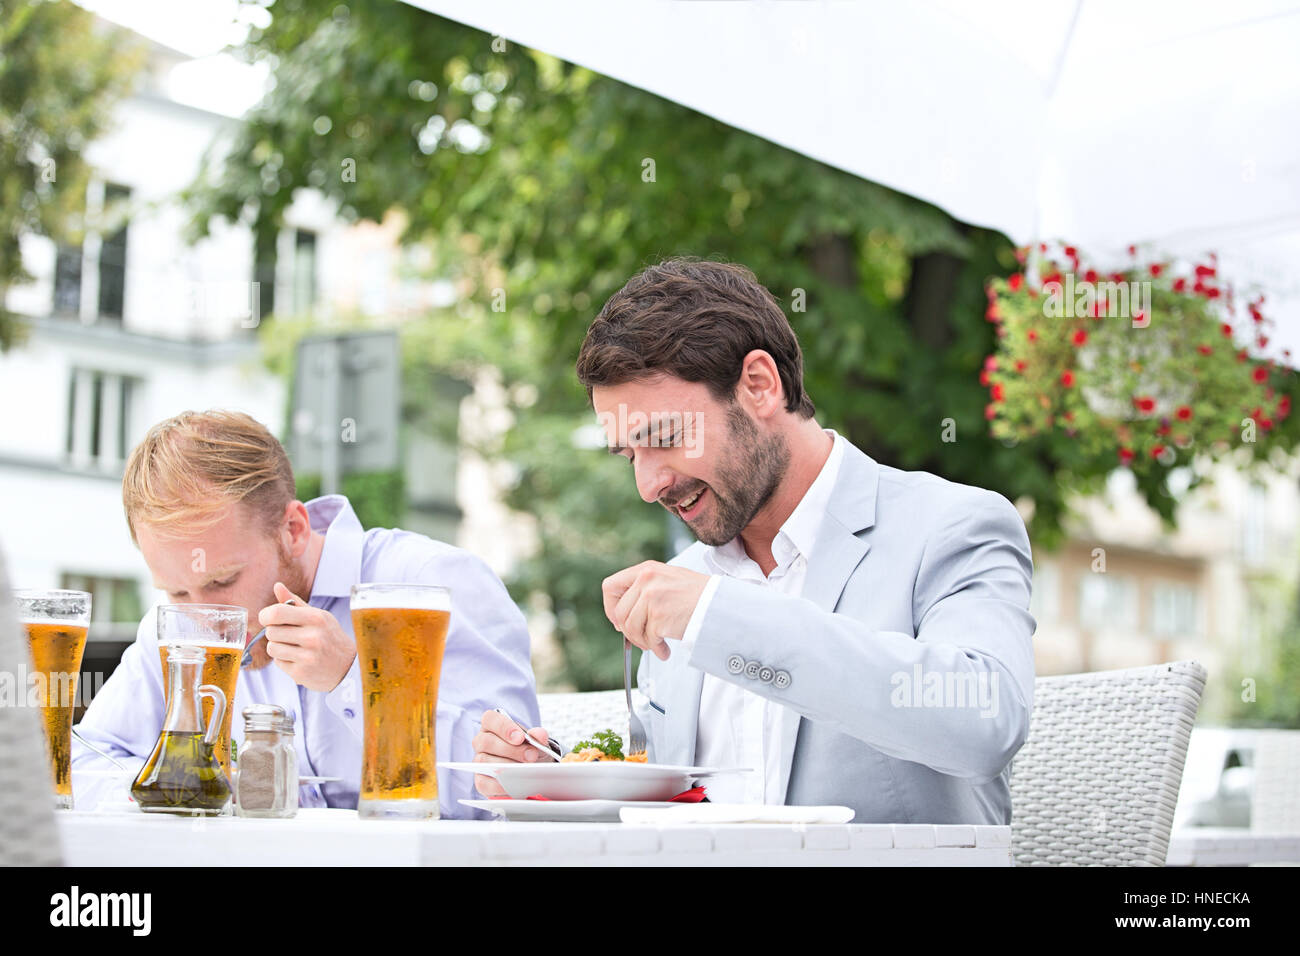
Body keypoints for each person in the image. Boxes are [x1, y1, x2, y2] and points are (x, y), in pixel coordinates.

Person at [473, 258, 1036, 824]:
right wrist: (556, 787)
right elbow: (674, 814)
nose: (648, 485)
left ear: (760, 386)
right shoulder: (684, 582)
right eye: (629, 455)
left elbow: (986, 721)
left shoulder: (954, 526)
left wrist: (718, 616)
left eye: (664, 437)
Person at [72, 410, 539, 818]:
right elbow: (84, 763)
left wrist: (352, 679)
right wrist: (171, 786)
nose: (203, 618)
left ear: (293, 529)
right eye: (176, 591)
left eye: (221, 581)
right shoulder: (177, 634)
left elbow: (514, 784)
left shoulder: (432, 583)